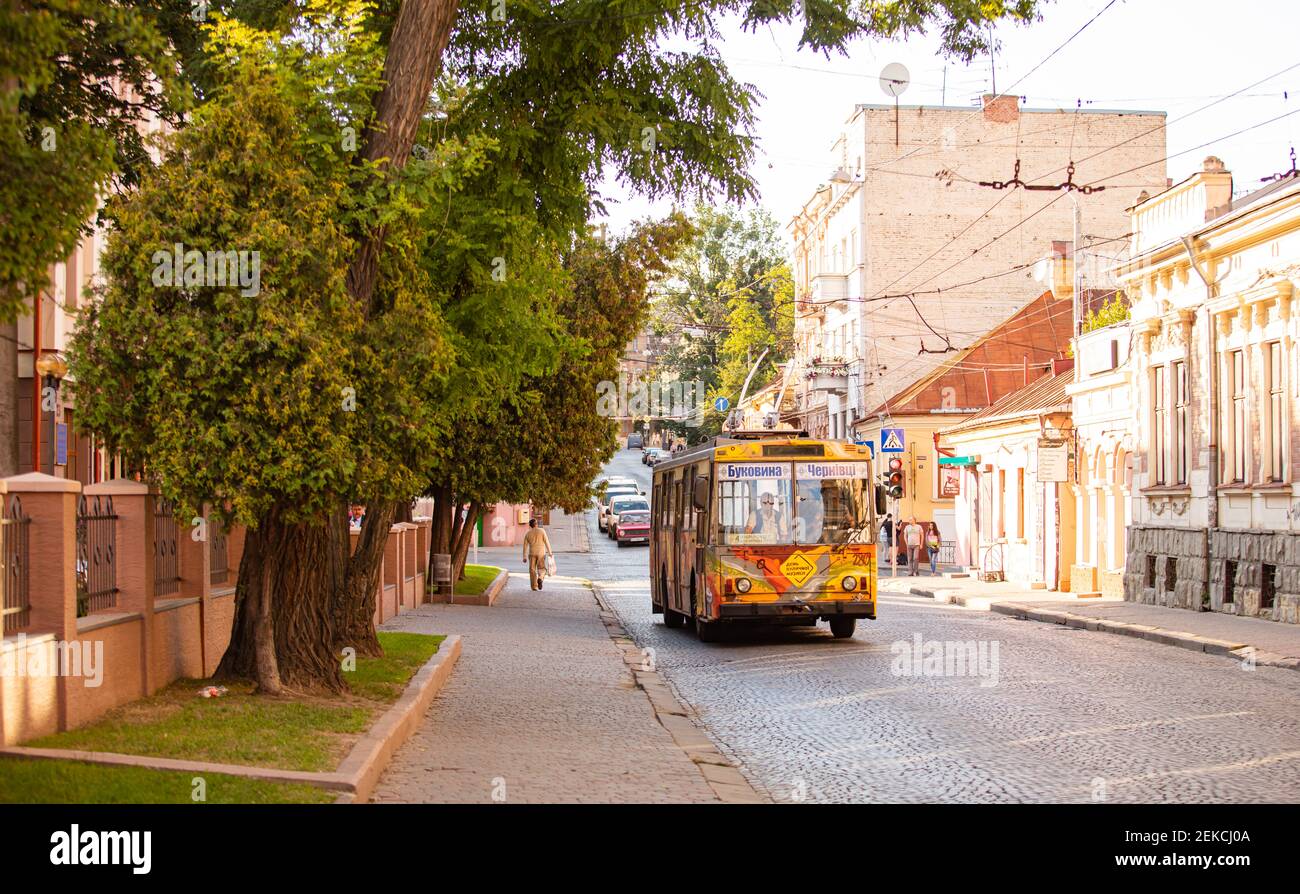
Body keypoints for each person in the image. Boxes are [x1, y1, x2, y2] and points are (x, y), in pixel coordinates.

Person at [522, 518, 553, 591]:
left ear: (530, 526)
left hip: (532, 553)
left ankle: (534, 586)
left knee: (532, 570)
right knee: (542, 568)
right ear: (536, 524)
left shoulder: (528, 534)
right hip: (541, 553)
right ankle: (540, 578)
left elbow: (525, 546)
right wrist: (550, 552)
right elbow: (546, 542)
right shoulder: (542, 531)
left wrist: (524, 557)